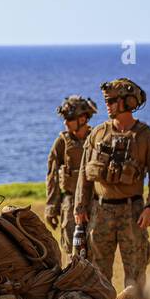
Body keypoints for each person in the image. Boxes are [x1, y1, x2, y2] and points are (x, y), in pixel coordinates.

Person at [73, 78, 150, 291]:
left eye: (112, 100)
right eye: (107, 100)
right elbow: (84, 177)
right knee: (97, 273)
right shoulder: (97, 134)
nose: (107, 104)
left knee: (135, 273)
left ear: (128, 103)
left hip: (132, 212)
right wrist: (80, 208)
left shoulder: (147, 139)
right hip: (100, 211)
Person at [44, 95, 97, 254]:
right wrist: (51, 207)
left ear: (83, 118)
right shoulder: (62, 142)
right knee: (71, 249)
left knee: (97, 249)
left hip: (95, 202)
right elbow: (52, 176)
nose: (65, 122)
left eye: (70, 118)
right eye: (65, 118)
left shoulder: (98, 138)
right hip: (70, 202)